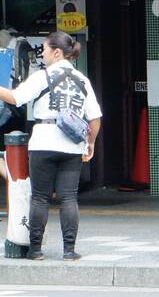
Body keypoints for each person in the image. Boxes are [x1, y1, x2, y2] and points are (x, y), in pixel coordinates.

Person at [0, 31, 102, 260]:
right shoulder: (82, 80)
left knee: (39, 197)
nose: (42, 55)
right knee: (68, 197)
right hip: (73, 144)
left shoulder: (42, 76)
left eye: (44, 50)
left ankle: (35, 249)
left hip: (43, 141)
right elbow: (94, 118)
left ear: (56, 53)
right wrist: (90, 143)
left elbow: (16, 98)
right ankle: (69, 250)